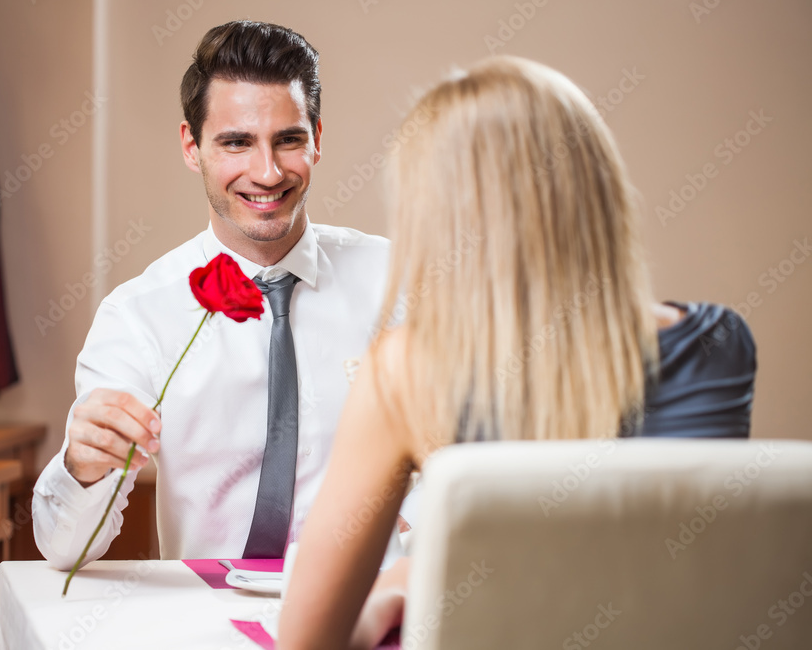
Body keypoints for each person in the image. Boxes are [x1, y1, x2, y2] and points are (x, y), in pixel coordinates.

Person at [277, 56, 757, 649]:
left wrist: (391, 593)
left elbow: (309, 640)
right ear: (597, 189)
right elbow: (644, 572)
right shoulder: (720, 342)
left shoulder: (406, 371)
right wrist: (406, 580)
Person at [32, 21, 396, 564]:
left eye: (288, 139)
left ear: (317, 140)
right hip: (206, 626)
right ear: (192, 146)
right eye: (236, 142)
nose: (267, 172)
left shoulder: (398, 280)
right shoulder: (137, 316)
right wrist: (81, 468)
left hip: (370, 619)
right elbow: (66, 551)